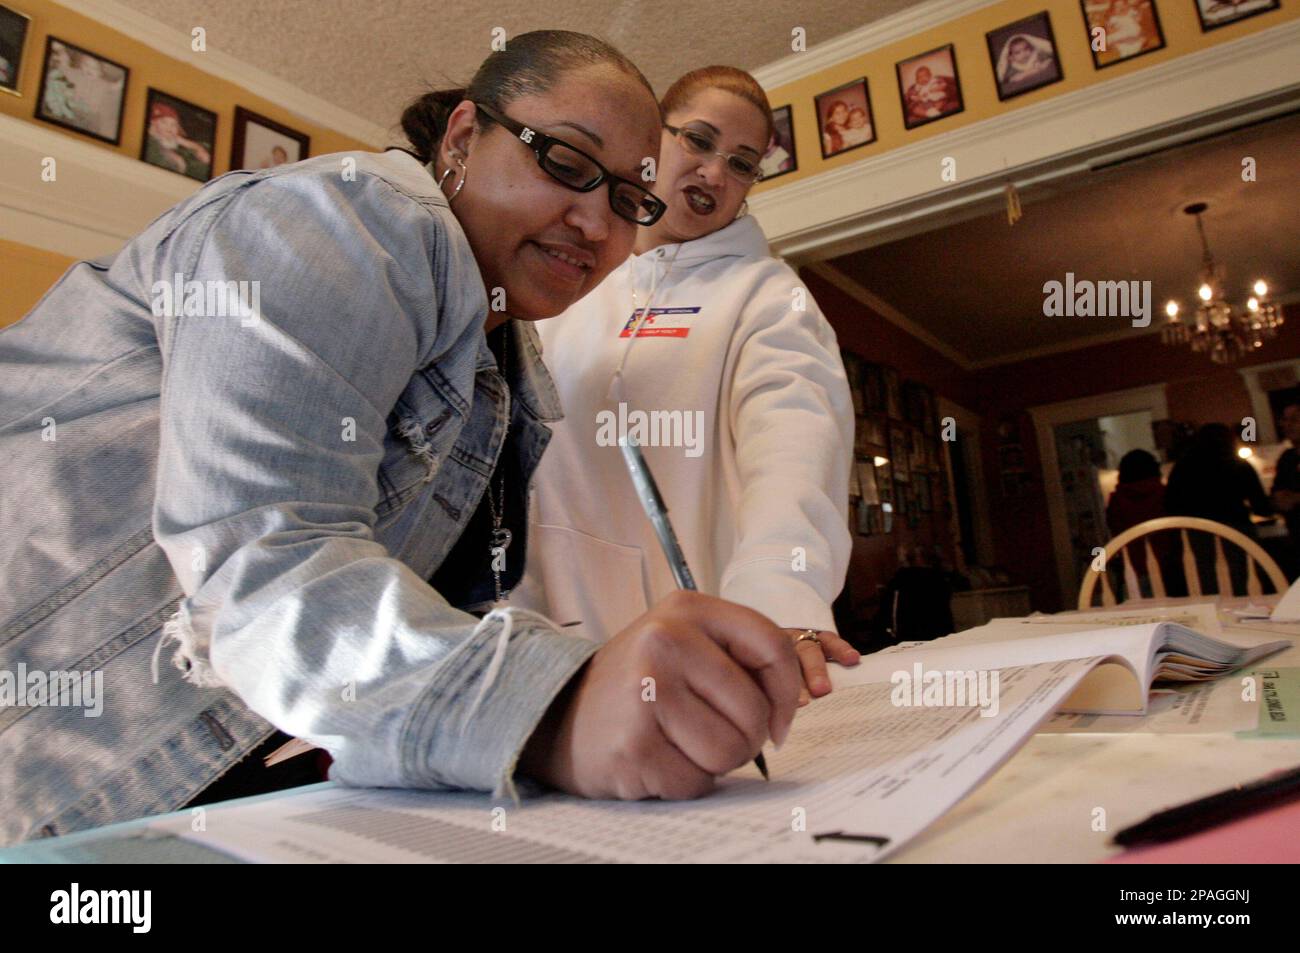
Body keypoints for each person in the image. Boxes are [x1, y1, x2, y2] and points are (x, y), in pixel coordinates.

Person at [0, 32, 801, 845]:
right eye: (564, 161)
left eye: (631, 198)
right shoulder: (352, 218)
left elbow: (409, 615)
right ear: (461, 139)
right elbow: (260, 551)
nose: (597, 221)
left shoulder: (512, 385)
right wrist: (555, 703)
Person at [512, 66, 857, 707]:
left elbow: (794, 449)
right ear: (653, 140)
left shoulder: (767, 295)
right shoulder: (573, 273)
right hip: (546, 649)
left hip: (708, 655)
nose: (715, 173)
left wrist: (779, 593)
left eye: (742, 163)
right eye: (698, 141)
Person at [1165, 423, 1274, 593]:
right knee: (1244, 584)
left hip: (1196, 537)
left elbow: (1170, 506)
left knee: (1207, 585)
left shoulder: (1183, 465)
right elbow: (1261, 506)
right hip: (1236, 532)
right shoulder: (1237, 463)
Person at [1105, 448, 1172, 596]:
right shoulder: (1164, 494)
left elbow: (1115, 530)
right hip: (1168, 565)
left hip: (1133, 567)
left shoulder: (1116, 501)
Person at [1269, 401, 1300, 579]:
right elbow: (1274, 493)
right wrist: (1277, 499)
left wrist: (1296, 498)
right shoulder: (1287, 458)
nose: (1286, 425)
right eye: (1284, 420)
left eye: (1294, 420)